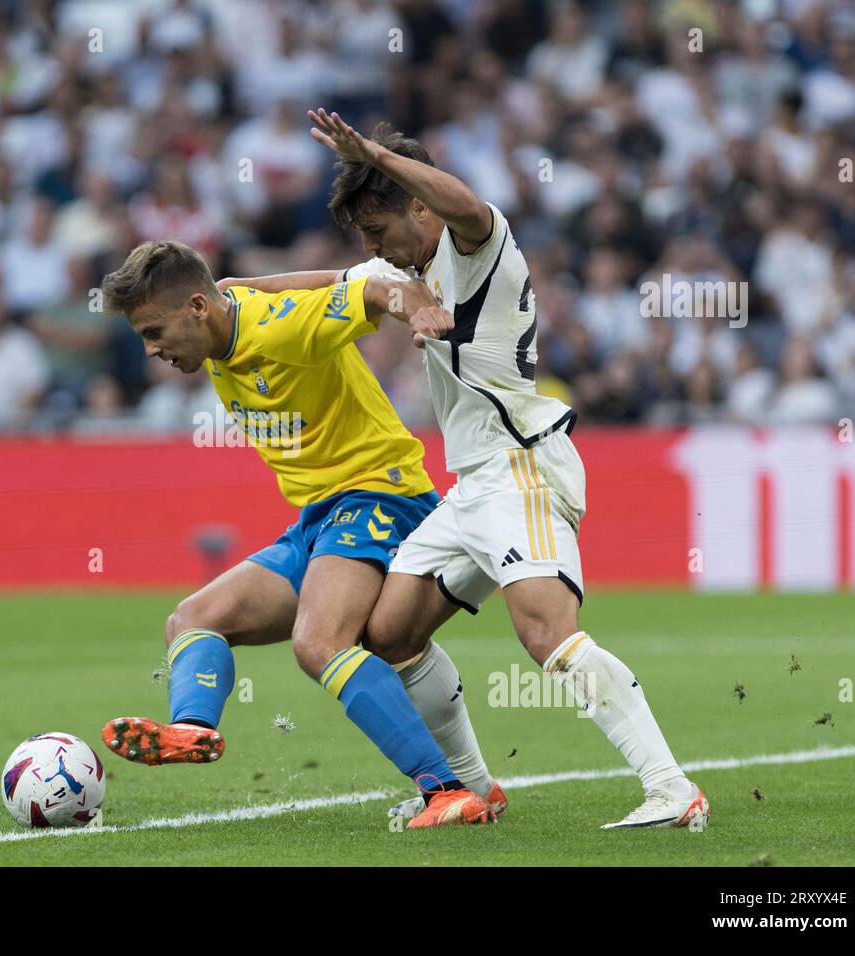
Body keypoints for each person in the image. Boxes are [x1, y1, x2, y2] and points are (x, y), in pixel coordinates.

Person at [223, 110, 708, 831]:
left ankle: (672, 789)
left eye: (378, 228)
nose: (372, 247)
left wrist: (378, 157)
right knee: (388, 634)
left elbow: (467, 204)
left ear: (416, 205)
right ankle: (475, 788)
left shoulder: (478, 247)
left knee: (546, 633)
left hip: (522, 466)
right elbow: (330, 279)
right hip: (470, 488)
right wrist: (234, 290)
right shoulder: (401, 269)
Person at [97, 239, 502, 828]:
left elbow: (368, 292)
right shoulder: (226, 306)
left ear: (196, 309)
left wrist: (411, 302)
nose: (151, 349)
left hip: (379, 493)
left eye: (154, 331)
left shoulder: (283, 330)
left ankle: (445, 791)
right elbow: (251, 285)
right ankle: (193, 728)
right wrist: (338, 272)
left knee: (321, 644)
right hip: (319, 518)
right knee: (191, 619)